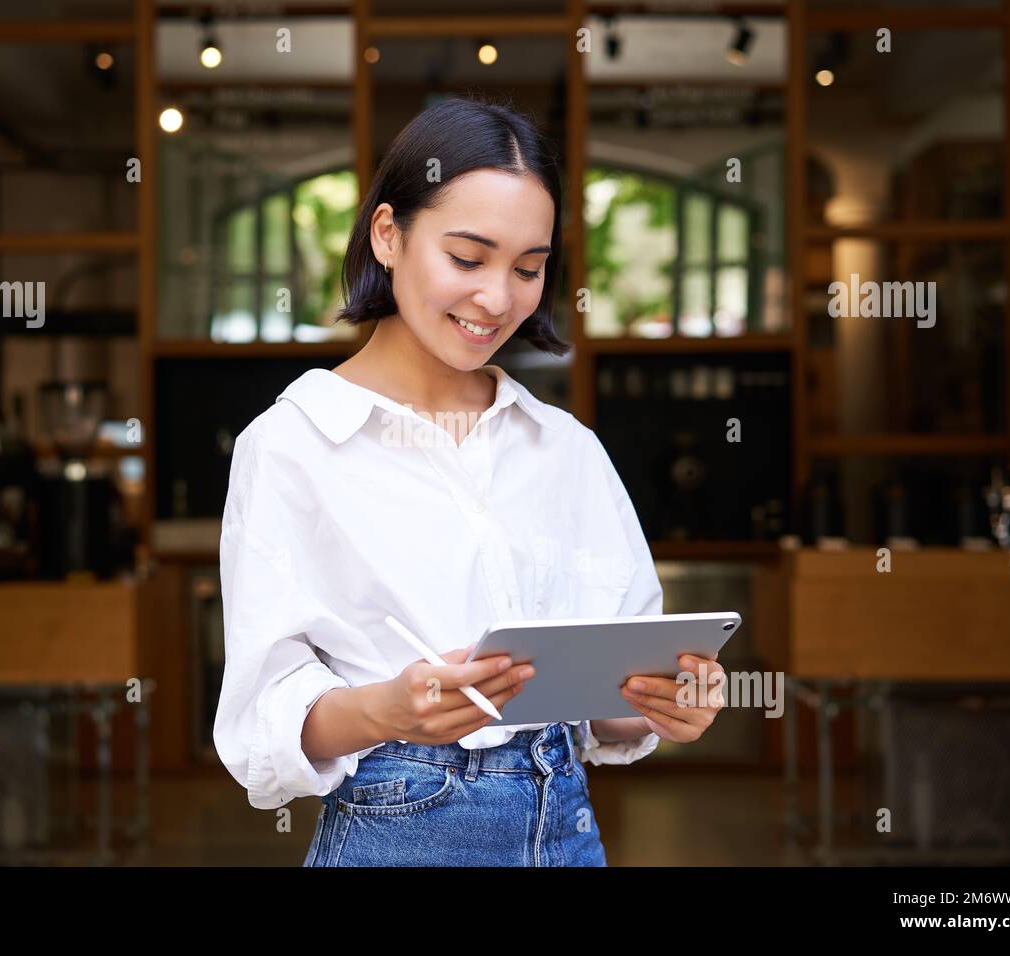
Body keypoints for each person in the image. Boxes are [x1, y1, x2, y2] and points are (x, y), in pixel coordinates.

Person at [213, 96, 724, 866]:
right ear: (388, 235)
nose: (498, 299)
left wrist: (659, 710)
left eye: (528, 268)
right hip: (396, 823)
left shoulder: (564, 448)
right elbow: (262, 725)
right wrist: (388, 710)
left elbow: (610, 707)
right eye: (467, 257)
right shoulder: (291, 447)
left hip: (565, 828)